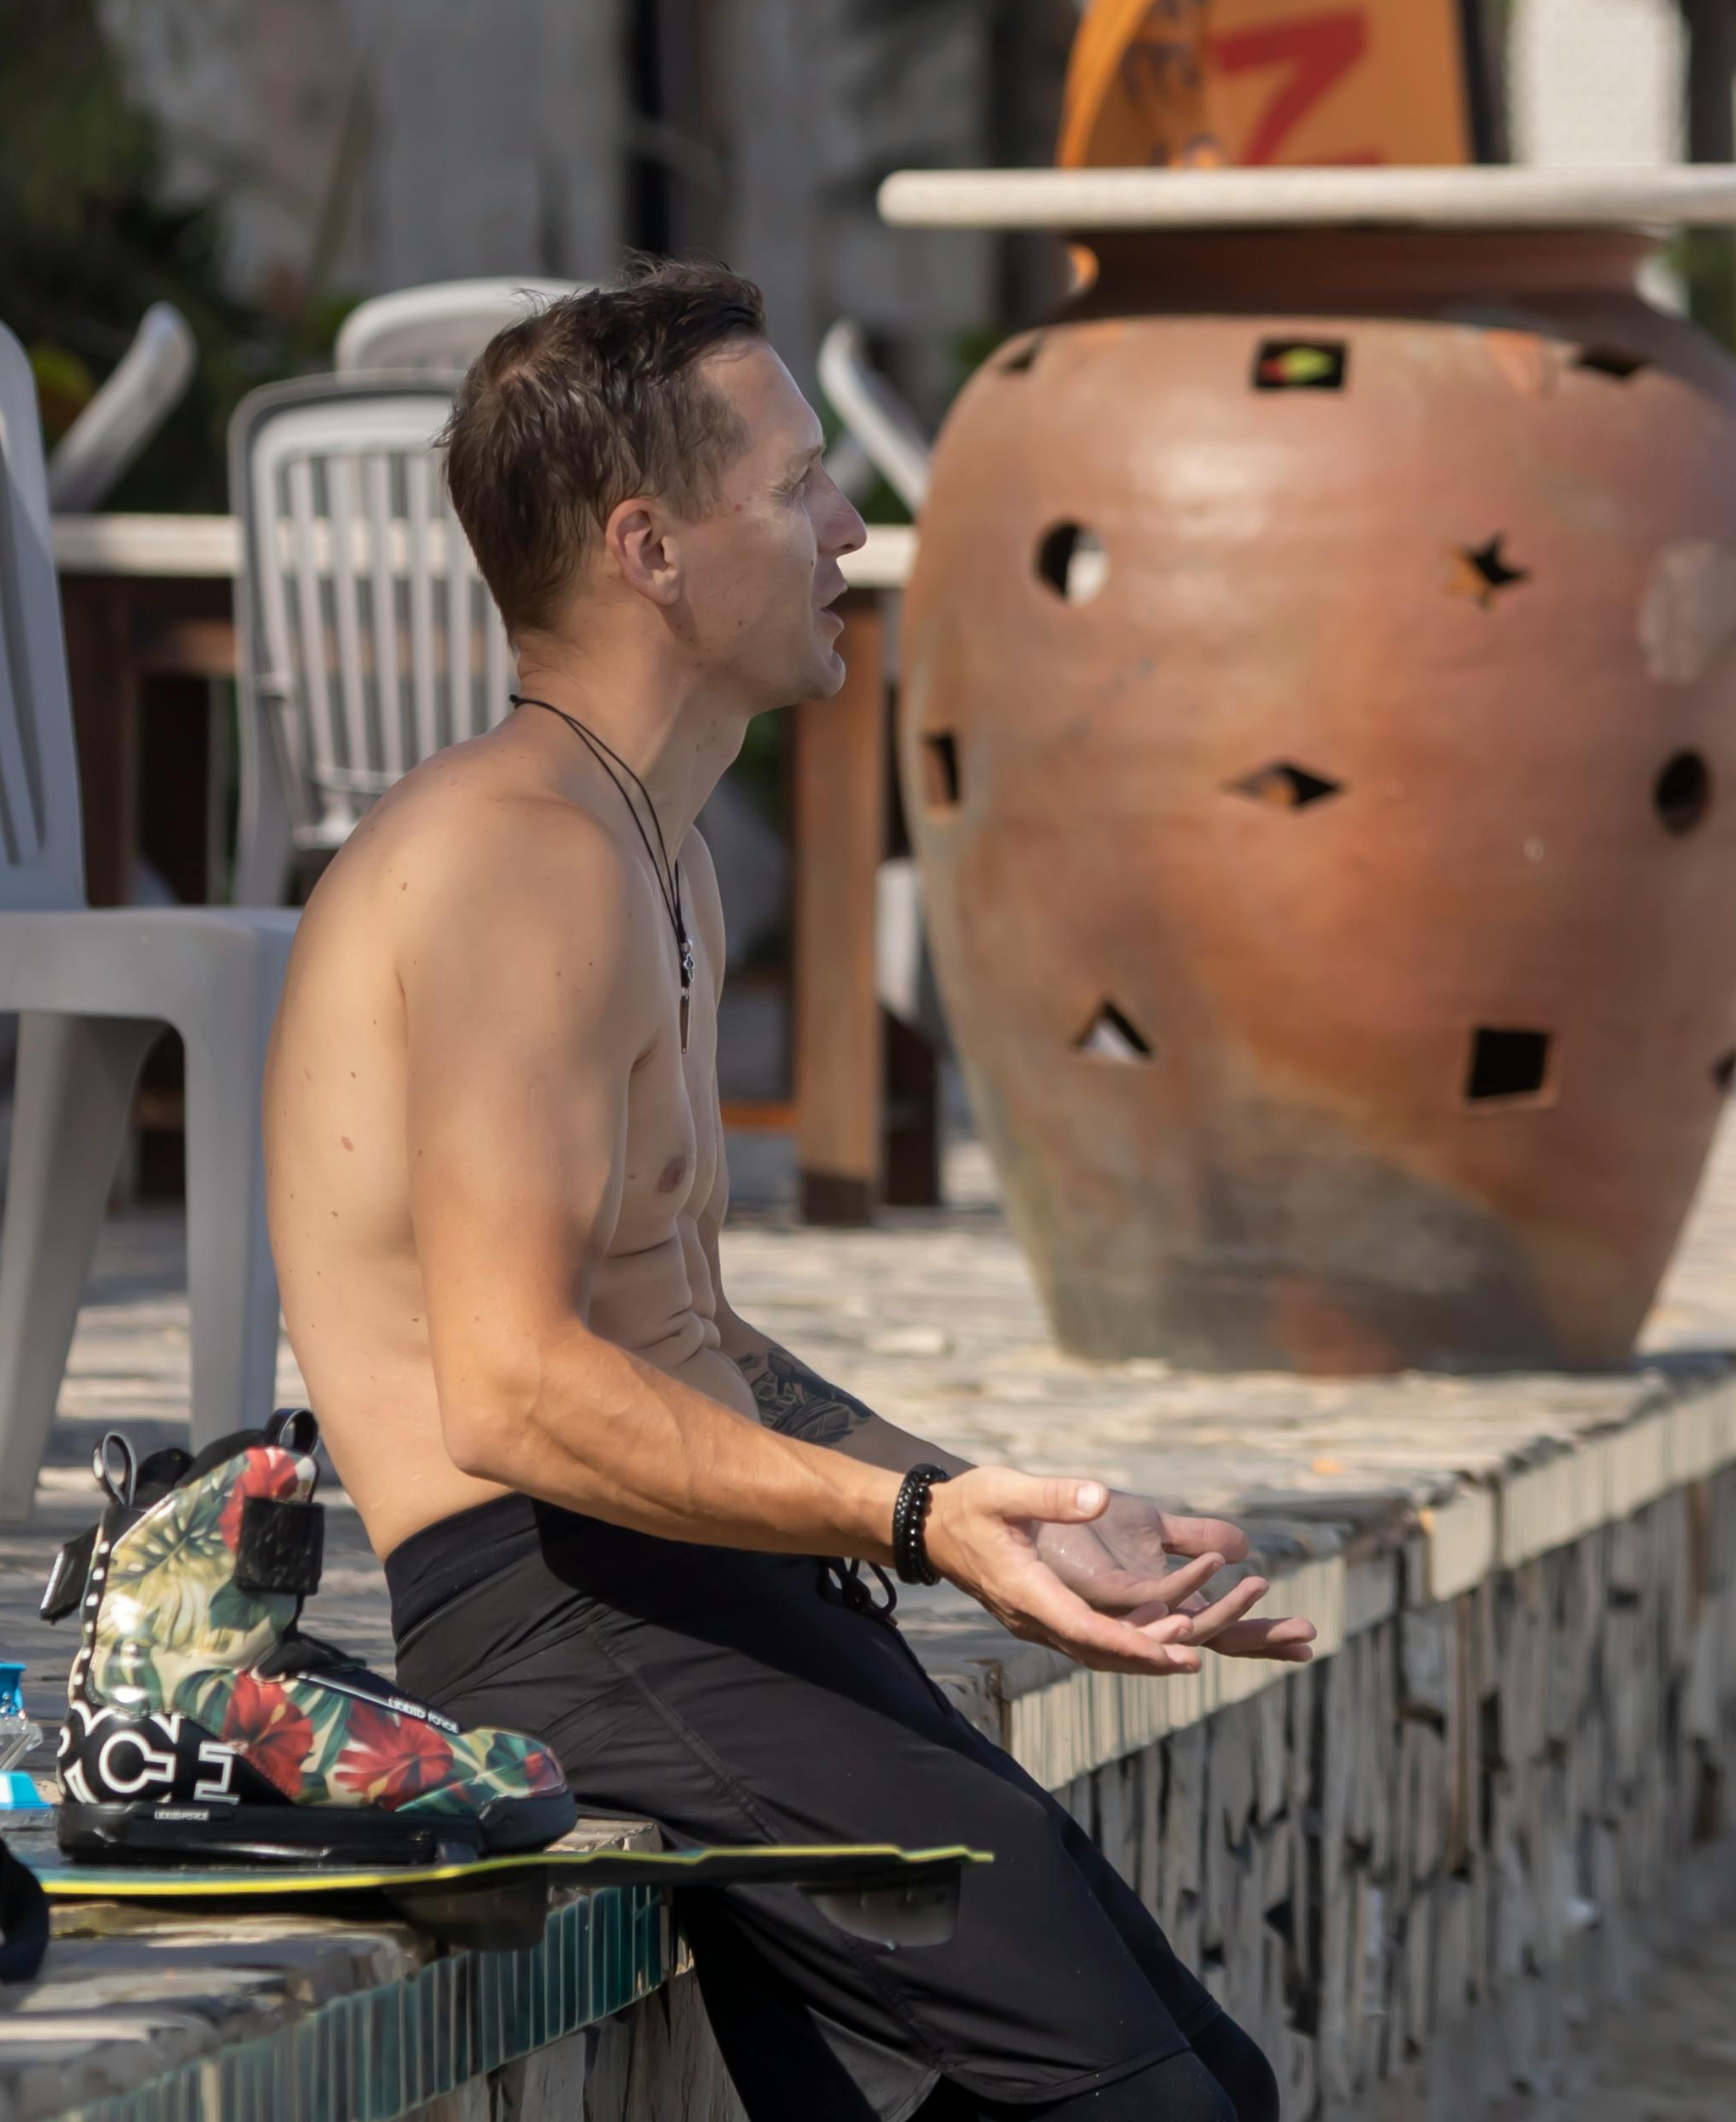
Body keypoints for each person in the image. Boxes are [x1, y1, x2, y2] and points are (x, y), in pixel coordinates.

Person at [266, 262, 1313, 2122]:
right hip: (573, 1612)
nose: (851, 527)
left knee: (1198, 2078)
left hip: (694, 1593)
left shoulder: (648, 852)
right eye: (798, 485)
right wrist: (916, 1523)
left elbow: (689, 1331)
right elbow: (509, 1390)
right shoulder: (518, 861)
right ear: (649, 548)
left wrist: (1012, 1515)